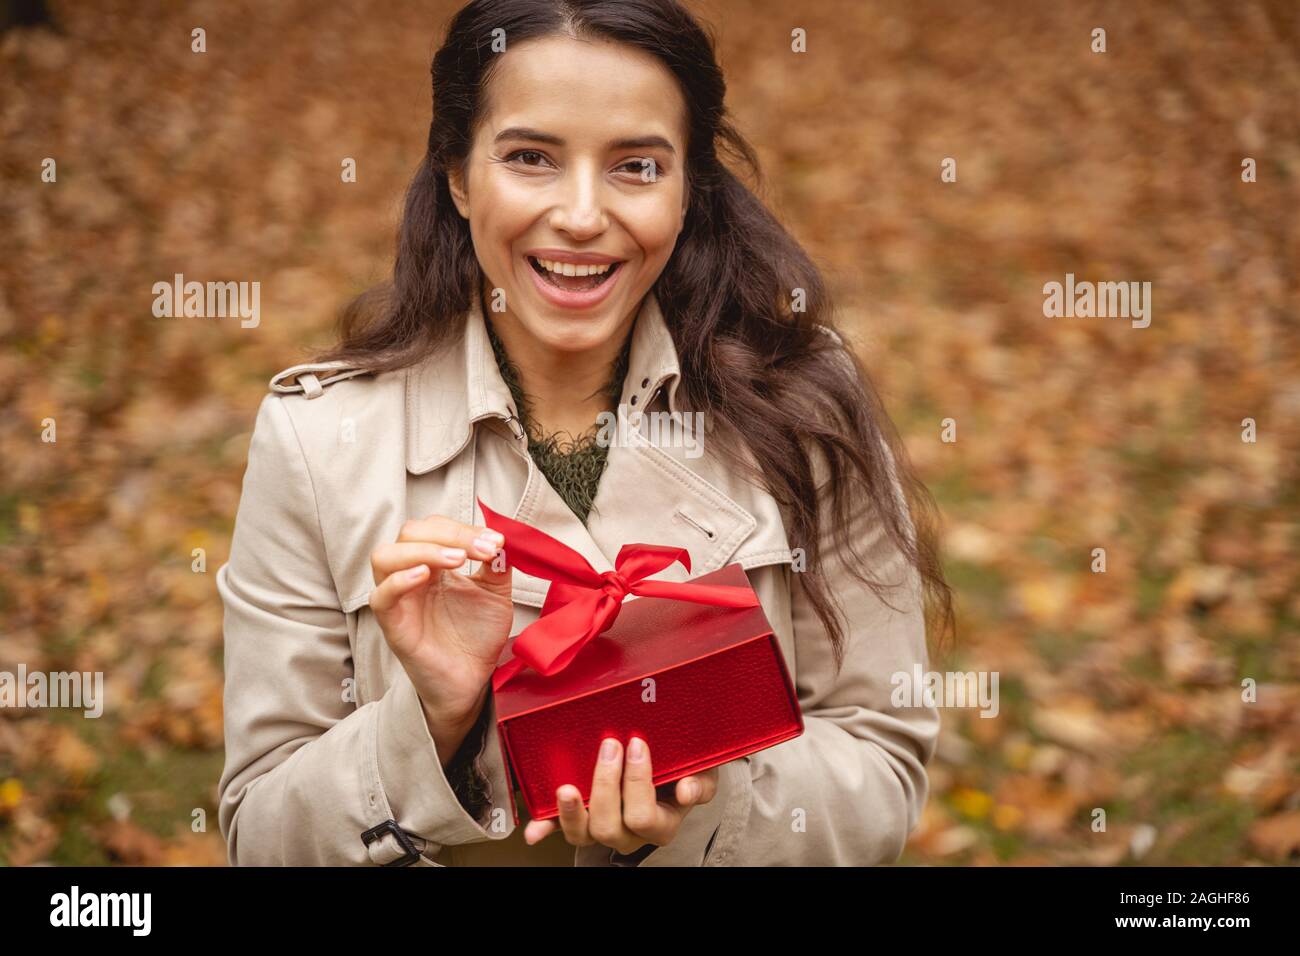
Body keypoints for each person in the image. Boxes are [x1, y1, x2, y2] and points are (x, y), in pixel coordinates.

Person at [216, 0, 951, 867]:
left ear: (688, 192)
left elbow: (882, 770)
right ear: (457, 173)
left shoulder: (807, 408)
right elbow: (263, 831)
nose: (579, 215)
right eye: (530, 158)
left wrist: (691, 798)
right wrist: (437, 724)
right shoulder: (317, 438)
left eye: (636, 166)